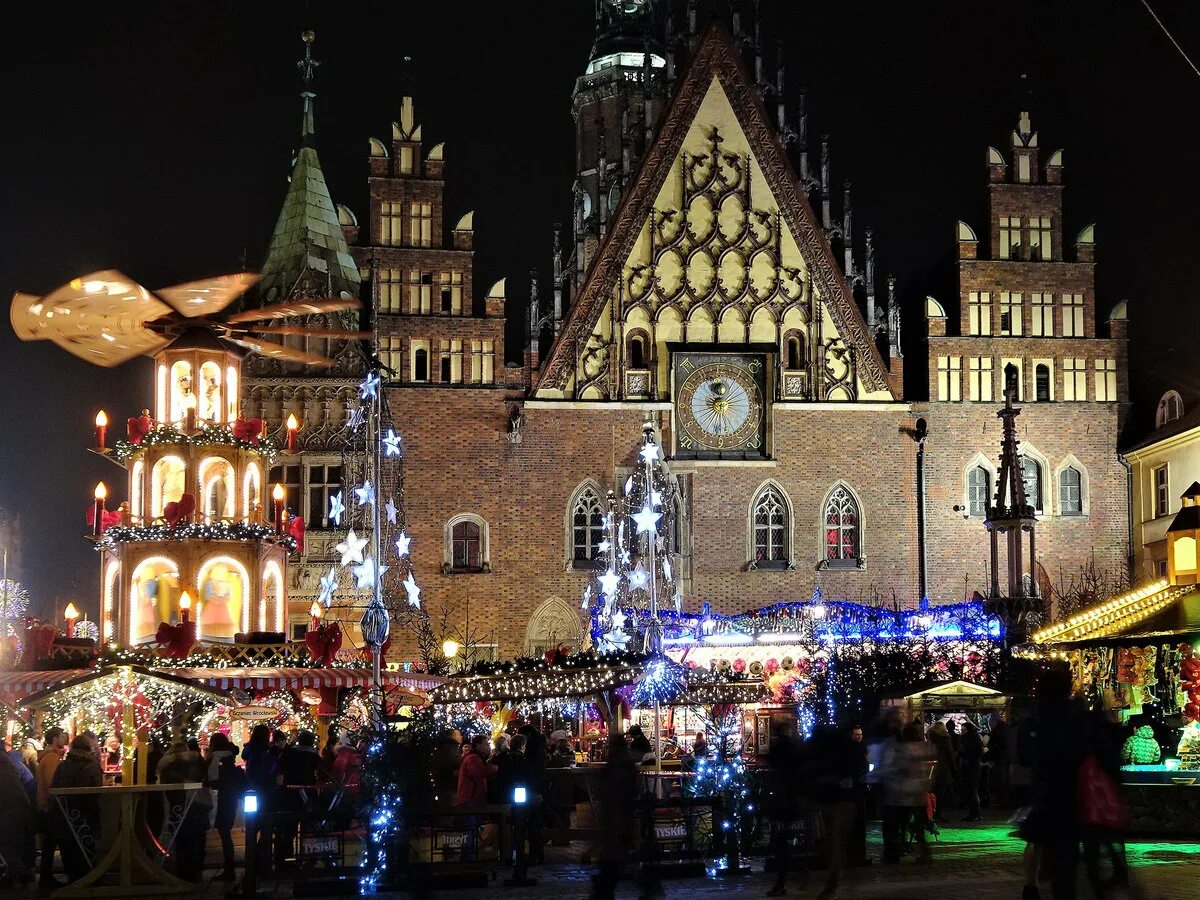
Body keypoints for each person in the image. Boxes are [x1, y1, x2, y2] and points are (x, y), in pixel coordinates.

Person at [1018, 668, 1088, 900]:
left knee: (1035, 840)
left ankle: (1031, 885)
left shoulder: (1032, 718)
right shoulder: (1076, 715)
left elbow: (1023, 756)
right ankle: (1063, 887)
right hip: (1071, 789)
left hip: (1042, 788)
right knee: (1067, 846)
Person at [49, 735, 103, 884]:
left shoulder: (63, 766)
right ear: (88, 748)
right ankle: (88, 876)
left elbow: (54, 788)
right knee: (86, 844)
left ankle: (73, 877)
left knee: (68, 845)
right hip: (86, 814)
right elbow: (97, 790)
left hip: (65, 814)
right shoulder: (92, 766)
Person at [156, 736, 210, 881]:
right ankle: (196, 869)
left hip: (177, 804)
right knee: (197, 836)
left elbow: (164, 785)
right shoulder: (196, 758)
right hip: (196, 803)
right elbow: (206, 777)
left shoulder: (165, 763)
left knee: (180, 837)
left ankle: (182, 871)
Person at [882, 721, 933, 865]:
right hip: (919, 792)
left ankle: (897, 850)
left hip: (903, 792)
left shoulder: (903, 750)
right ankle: (925, 851)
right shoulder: (924, 748)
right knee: (918, 824)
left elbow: (897, 769)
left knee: (900, 823)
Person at [592, 732, 636, 900]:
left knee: (611, 860)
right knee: (615, 858)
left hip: (613, 818)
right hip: (621, 817)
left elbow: (605, 791)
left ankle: (604, 891)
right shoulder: (626, 766)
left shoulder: (612, 768)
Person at [765, 719, 802, 897]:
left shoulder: (778, 748)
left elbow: (773, 768)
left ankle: (784, 877)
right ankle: (792, 872)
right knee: (785, 838)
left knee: (780, 840)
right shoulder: (795, 747)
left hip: (781, 800)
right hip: (790, 798)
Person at [274, 730, 319, 871]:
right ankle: (306, 858)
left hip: (290, 795)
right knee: (307, 828)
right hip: (307, 795)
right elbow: (322, 773)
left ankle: (283, 859)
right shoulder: (314, 756)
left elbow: (278, 771)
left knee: (289, 828)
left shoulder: (289, 753)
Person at [206, 733, 247, 881]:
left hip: (221, 797)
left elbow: (212, 779)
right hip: (232, 796)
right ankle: (229, 867)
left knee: (224, 832)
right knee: (225, 832)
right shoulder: (229, 755)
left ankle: (229, 869)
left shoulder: (215, 757)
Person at [36, 726, 68, 894]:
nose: (65, 739)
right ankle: (46, 879)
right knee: (51, 842)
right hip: (50, 806)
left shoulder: (50, 757)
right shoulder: (51, 758)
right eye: (62, 736)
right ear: (55, 738)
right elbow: (52, 782)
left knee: (50, 843)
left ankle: (45, 878)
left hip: (46, 804)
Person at [241, 724, 276, 875]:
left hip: (253, 792)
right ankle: (261, 863)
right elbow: (263, 774)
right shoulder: (261, 753)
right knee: (265, 827)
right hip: (264, 793)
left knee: (254, 827)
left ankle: (253, 861)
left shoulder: (251, 750)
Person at [0, 753, 33, 886]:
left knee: (4, 842)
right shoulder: (8, 764)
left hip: (7, 807)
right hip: (21, 804)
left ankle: (19, 871)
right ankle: (13, 872)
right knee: (15, 841)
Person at [926, 720, 957, 823]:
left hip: (931, 768)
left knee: (932, 792)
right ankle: (938, 813)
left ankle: (930, 813)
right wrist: (954, 770)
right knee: (941, 793)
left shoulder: (930, 739)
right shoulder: (945, 739)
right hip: (943, 769)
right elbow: (950, 756)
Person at [456, 734, 498, 806]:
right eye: (486, 743)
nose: (488, 746)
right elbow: (478, 771)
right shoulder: (472, 758)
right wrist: (494, 768)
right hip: (470, 799)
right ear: (478, 745)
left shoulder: (477, 757)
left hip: (473, 798)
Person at [959, 720, 984, 821]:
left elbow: (968, 751)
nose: (961, 731)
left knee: (971, 790)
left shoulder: (969, 738)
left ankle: (974, 813)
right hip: (974, 765)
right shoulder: (975, 736)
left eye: (963, 729)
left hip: (971, 766)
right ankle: (975, 813)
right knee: (972, 790)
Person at [431, 729, 463, 807]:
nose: (461, 737)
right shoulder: (451, 748)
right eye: (459, 735)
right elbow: (449, 765)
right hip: (449, 787)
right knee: (450, 810)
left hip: (446, 786)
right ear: (453, 736)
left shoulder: (448, 747)